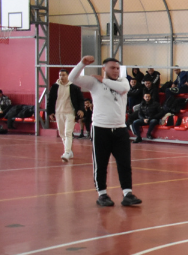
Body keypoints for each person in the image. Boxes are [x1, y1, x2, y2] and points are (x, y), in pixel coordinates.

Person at [69, 56, 141, 207]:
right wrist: (82, 63)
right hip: (101, 128)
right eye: (112, 68)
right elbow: (72, 78)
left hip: (120, 129)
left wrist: (103, 80)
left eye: (117, 68)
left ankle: (127, 193)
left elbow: (124, 89)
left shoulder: (123, 81)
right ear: (104, 68)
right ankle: (102, 194)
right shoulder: (94, 83)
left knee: (124, 163)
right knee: (101, 163)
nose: (115, 71)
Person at [47, 69, 85, 161]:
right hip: (59, 112)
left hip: (70, 113)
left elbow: (80, 100)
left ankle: (67, 152)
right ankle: (69, 151)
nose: (61, 77)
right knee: (61, 133)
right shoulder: (55, 87)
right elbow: (51, 100)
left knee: (68, 132)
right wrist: (50, 112)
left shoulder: (74, 87)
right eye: (60, 75)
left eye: (63, 75)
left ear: (67, 76)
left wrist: (80, 110)